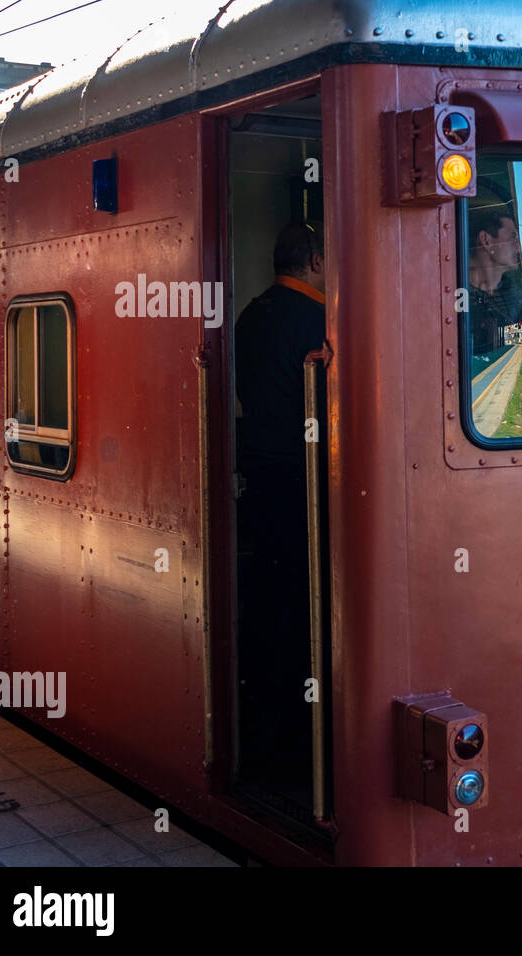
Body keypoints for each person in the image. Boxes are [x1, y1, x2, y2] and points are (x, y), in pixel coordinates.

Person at [234, 220, 326, 784]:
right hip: (305, 477)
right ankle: (303, 722)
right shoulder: (317, 320)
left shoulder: (251, 314)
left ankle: (267, 713)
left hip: (261, 473)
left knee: (271, 596)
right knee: (305, 599)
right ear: (314, 260)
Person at [467, 199, 522, 354]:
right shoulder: (455, 288)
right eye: (513, 237)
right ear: (486, 240)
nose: (518, 247)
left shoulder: (511, 293)